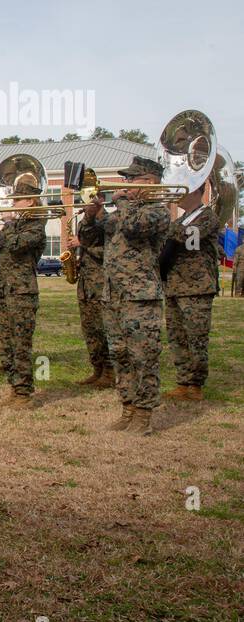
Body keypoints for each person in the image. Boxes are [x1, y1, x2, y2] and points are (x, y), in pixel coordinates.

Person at [99, 156, 171, 435]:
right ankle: (127, 407)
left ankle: (144, 413)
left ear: (150, 183)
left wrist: (122, 200)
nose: (125, 184)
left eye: (132, 180)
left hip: (140, 295)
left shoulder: (157, 211)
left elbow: (133, 227)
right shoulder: (126, 210)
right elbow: (103, 229)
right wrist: (95, 212)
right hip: (114, 294)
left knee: (143, 356)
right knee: (120, 354)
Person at [0, 189, 47, 407]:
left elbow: (15, 246)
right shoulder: (11, 228)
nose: (11, 204)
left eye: (16, 200)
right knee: (5, 343)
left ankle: (24, 392)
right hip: (3, 291)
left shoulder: (36, 228)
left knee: (21, 344)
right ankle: (14, 387)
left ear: (30, 202)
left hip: (23, 292)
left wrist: (7, 224)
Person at [162, 177, 222, 402]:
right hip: (175, 286)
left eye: (182, 190)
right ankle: (182, 381)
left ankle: (195, 384)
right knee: (177, 337)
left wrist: (161, 222)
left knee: (196, 337)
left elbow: (188, 238)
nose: (177, 195)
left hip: (197, 287)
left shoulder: (208, 218)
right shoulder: (180, 221)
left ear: (197, 191)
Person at [70, 199, 114, 387]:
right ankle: (97, 369)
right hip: (86, 284)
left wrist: (83, 245)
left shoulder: (110, 221)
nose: (84, 204)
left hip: (101, 282)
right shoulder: (83, 222)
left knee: (103, 329)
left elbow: (111, 252)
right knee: (90, 330)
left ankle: (110, 372)